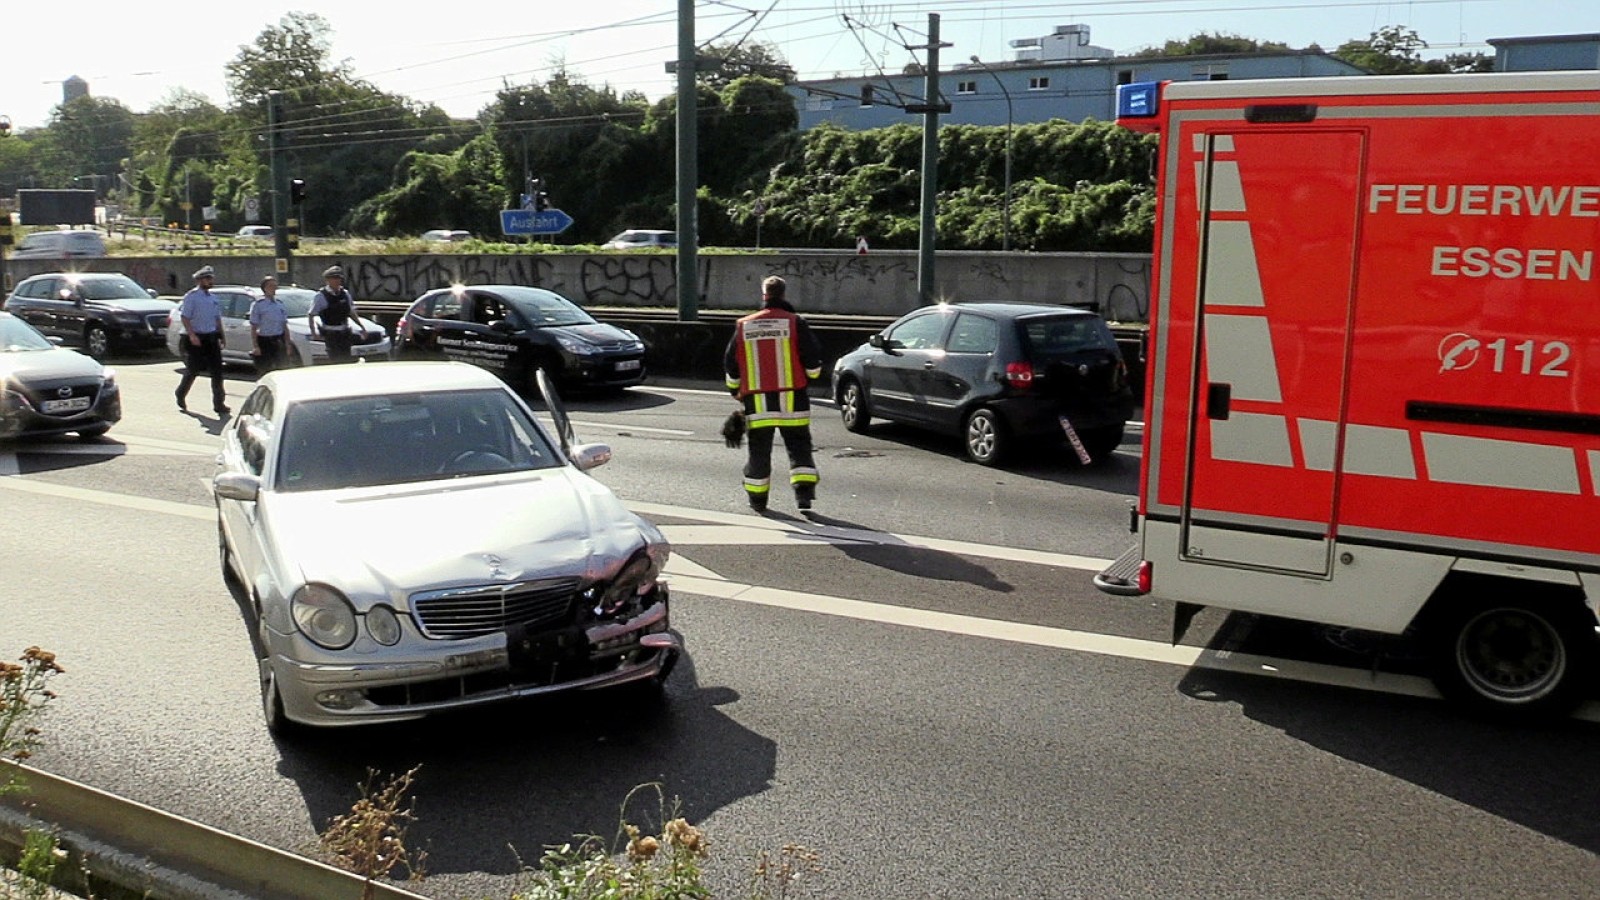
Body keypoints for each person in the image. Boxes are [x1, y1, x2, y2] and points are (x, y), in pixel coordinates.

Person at [723, 275, 823, 512]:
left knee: (759, 452)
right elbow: (813, 361)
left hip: (757, 403)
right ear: (784, 295)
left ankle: (758, 500)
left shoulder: (744, 325)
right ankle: (804, 497)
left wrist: (735, 390)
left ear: (764, 295)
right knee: (799, 449)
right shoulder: (795, 322)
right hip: (794, 400)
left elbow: (731, 363)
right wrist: (810, 377)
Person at [175, 265, 229, 416]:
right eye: (207, 278)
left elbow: (217, 319)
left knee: (217, 372)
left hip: (211, 337)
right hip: (196, 338)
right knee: (193, 370)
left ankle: (219, 404)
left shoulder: (213, 298)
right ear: (200, 280)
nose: (210, 281)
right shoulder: (192, 296)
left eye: (211, 278)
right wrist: (192, 335)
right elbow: (185, 317)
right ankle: (181, 393)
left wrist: (222, 335)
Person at [308, 265, 362, 364]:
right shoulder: (321, 296)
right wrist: (314, 333)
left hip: (344, 333)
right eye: (334, 278)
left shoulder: (345, 293)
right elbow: (311, 314)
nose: (337, 281)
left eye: (339, 278)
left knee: (346, 360)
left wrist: (362, 327)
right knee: (335, 361)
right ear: (328, 280)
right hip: (331, 334)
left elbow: (351, 312)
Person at [249, 274, 289, 374]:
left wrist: (287, 344)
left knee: (281, 369)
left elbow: (284, 326)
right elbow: (254, 327)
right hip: (264, 341)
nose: (274, 289)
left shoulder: (279, 304)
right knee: (265, 370)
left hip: (278, 340)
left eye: (275, 286)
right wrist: (255, 346)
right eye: (271, 286)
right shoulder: (258, 305)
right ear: (265, 288)